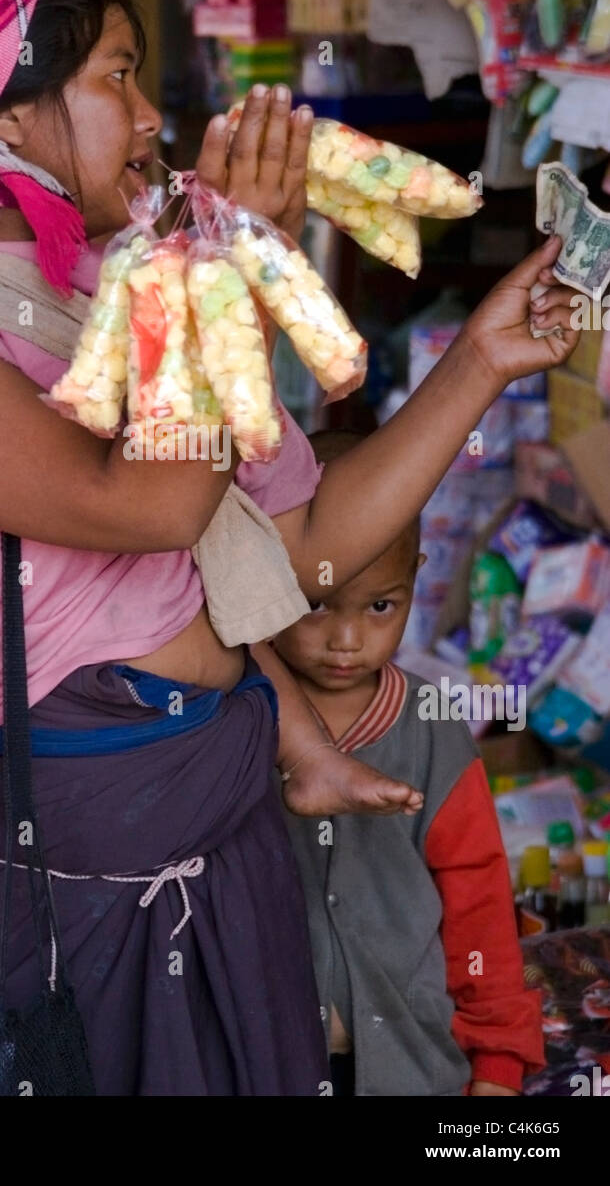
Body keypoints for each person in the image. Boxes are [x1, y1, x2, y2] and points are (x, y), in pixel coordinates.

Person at [0, 0, 576, 1096]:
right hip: (33, 885)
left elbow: (308, 555)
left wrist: (478, 366)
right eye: (116, 75)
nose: (151, 117)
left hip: (215, 839)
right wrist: (220, 272)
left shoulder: (120, 292)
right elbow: (147, 502)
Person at [255, 432, 545, 1098]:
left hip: (414, 1063)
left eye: (380, 606)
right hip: (265, 1059)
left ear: (415, 578)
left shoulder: (435, 731)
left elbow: (480, 904)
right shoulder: (244, 715)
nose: (346, 640)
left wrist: (498, 1062)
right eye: (316, 605)